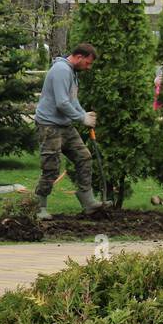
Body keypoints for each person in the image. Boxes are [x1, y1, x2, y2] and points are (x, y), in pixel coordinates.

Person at [33, 43, 104, 220]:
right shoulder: (61, 70)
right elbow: (62, 103)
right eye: (87, 63)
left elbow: (72, 100)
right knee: (51, 167)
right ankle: (38, 207)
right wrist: (81, 118)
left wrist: (83, 114)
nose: (88, 67)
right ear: (79, 57)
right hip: (49, 126)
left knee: (84, 156)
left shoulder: (71, 72)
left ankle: (87, 201)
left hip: (64, 125)